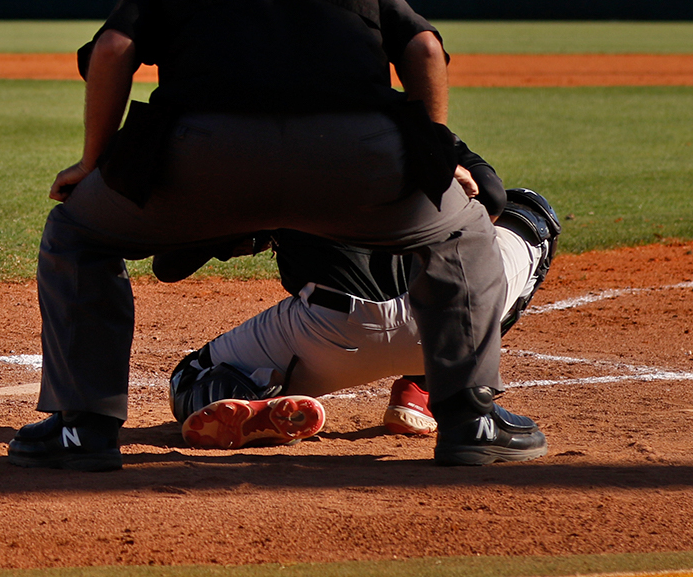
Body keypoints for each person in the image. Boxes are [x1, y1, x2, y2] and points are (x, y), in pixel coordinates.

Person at [9, 0, 546, 471]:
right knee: (463, 230)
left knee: (77, 234)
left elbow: (111, 50)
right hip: (358, 159)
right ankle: (469, 419)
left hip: (202, 158)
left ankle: (84, 429)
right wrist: (434, 150)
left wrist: (92, 162)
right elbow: (424, 46)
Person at [161, 173, 561, 448]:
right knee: (531, 211)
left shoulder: (265, 156)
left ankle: (253, 402)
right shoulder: (401, 122)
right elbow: (492, 196)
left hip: (327, 335)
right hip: (442, 322)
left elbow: (169, 265)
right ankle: (434, 388)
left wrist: (262, 228)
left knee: (188, 379)